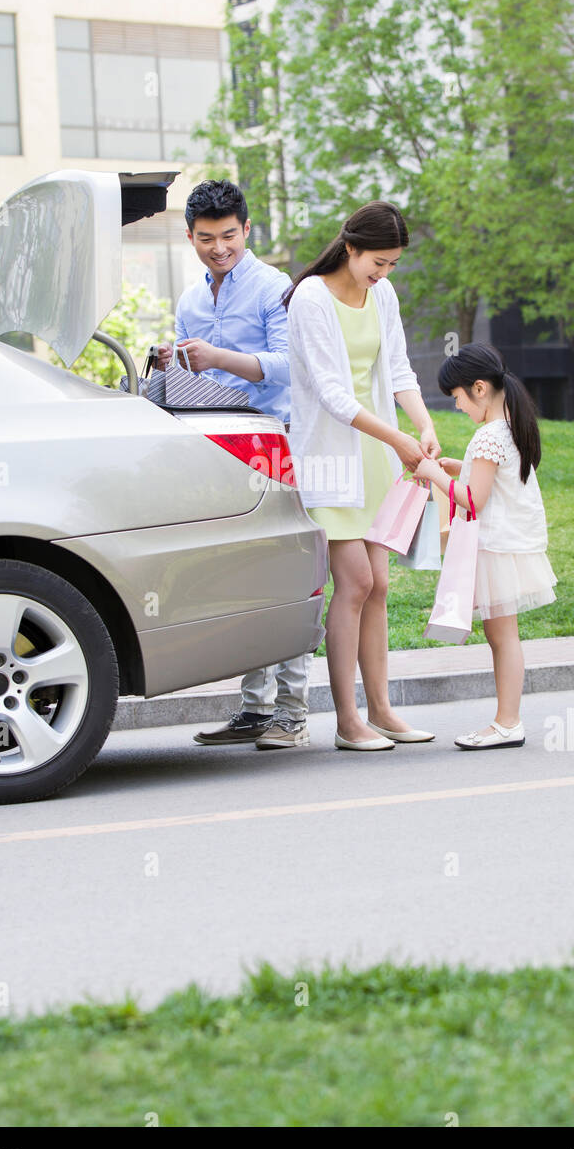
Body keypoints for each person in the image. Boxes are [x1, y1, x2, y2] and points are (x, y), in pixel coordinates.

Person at [157, 179, 312, 750]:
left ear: (247, 229)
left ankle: (291, 713)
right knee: (242, 576)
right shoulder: (190, 300)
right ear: (190, 237)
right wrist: (172, 360)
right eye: (204, 239)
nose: (217, 248)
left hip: (274, 444)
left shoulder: (276, 289)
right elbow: (187, 375)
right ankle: (252, 708)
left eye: (227, 236)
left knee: (284, 574)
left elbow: (291, 367)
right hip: (214, 448)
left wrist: (221, 357)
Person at [285, 201, 440, 751]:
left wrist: (421, 423)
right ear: (350, 248)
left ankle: (382, 710)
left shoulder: (383, 295)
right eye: (379, 262)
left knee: (379, 587)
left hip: (374, 457)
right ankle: (348, 722)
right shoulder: (309, 298)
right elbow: (331, 393)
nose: (384, 274)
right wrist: (396, 438)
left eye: (393, 264)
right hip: (329, 459)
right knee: (355, 583)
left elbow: (397, 368)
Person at [414, 343, 558, 750]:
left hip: (495, 548)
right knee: (502, 636)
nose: (457, 406)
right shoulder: (510, 427)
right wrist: (462, 467)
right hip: (506, 546)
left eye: (457, 397)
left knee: (503, 638)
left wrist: (434, 474)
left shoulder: (491, 435)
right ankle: (507, 720)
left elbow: (473, 499)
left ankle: (508, 722)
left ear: (478, 388)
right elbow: (493, 480)